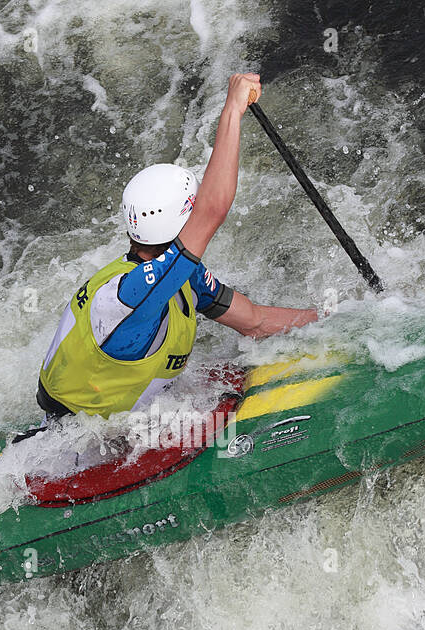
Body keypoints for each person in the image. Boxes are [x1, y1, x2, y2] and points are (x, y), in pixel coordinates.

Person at [36, 72, 322, 420]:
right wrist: (232, 110)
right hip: (72, 436)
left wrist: (344, 320)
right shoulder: (132, 295)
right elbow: (212, 211)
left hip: (120, 417)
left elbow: (256, 322)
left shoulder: (180, 277)